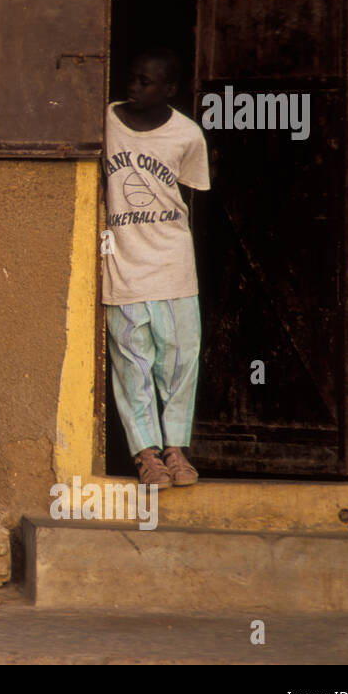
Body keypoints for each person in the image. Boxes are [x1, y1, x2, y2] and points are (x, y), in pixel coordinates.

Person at [102, 48, 210, 488]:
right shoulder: (102, 121)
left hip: (172, 265)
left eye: (145, 82)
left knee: (180, 360)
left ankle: (176, 451)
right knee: (132, 365)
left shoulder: (187, 135)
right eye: (132, 78)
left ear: (169, 90)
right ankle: (146, 455)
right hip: (122, 263)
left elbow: (194, 199)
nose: (134, 87)